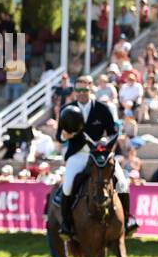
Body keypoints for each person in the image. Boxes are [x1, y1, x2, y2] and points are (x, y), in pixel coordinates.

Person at [56, 75, 137, 238]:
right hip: (78, 155)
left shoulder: (102, 108)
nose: (81, 93)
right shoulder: (68, 109)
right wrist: (66, 135)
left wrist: (106, 141)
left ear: (91, 89)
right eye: (77, 89)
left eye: (84, 89)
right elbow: (59, 136)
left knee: (122, 182)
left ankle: (128, 220)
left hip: (100, 155)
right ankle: (67, 224)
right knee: (68, 185)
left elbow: (114, 132)